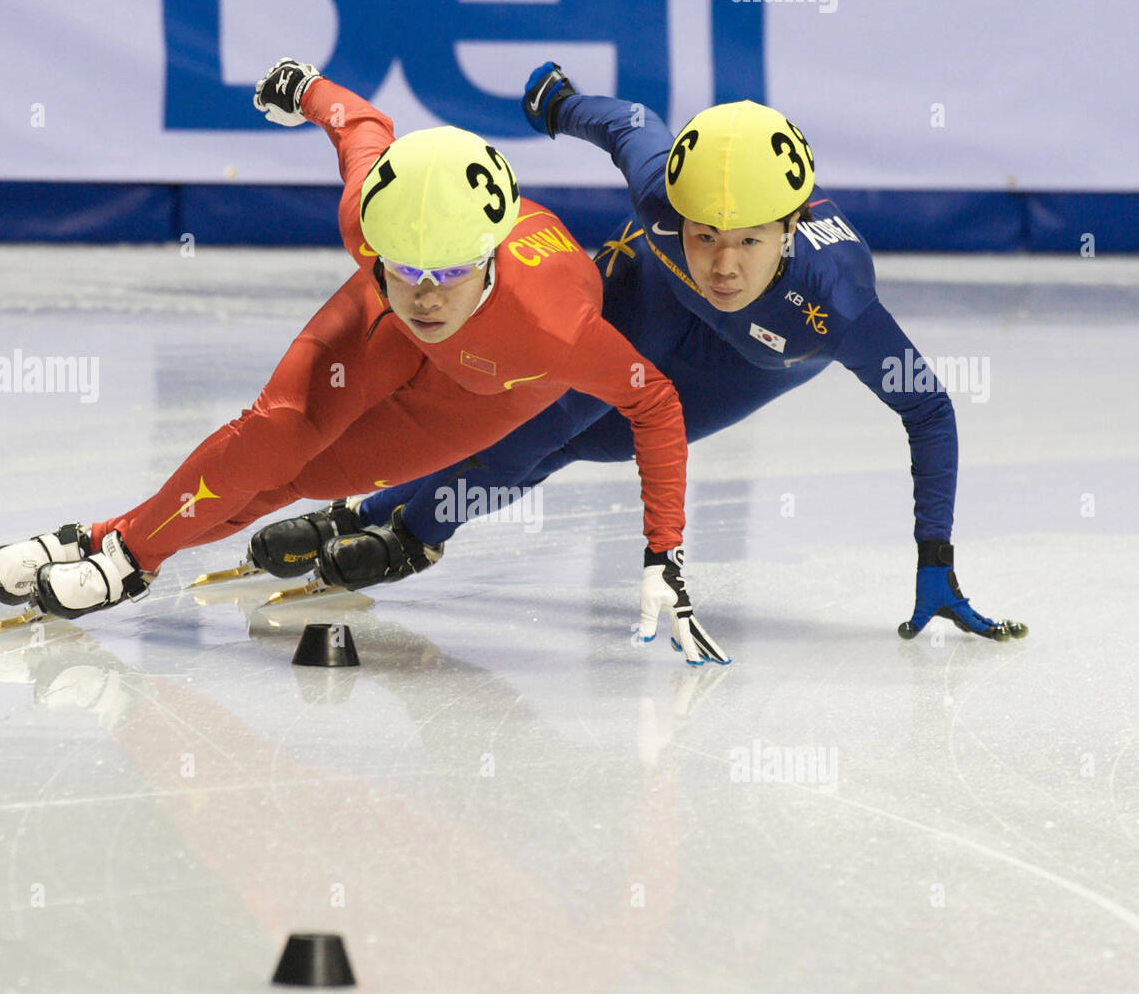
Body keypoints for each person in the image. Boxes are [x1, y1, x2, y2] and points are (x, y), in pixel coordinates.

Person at [0, 59, 724, 663]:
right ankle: (127, 555)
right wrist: (304, 87)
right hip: (378, 324)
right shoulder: (371, 220)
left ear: (489, 256)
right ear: (379, 247)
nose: (427, 297)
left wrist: (664, 552)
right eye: (408, 269)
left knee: (302, 478)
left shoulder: (556, 329)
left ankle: (104, 536)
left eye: (449, 274)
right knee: (274, 435)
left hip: (488, 386)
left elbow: (654, 404)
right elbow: (361, 126)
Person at [288, 62, 1025, 645]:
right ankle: (400, 527)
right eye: (705, 234)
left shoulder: (839, 304)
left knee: (580, 444)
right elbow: (629, 125)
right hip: (654, 295)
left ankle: (392, 520)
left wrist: (937, 559)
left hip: (752, 362)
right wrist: (559, 104)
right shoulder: (662, 202)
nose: (724, 265)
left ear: (791, 230)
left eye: (748, 242)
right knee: (552, 415)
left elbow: (928, 409)